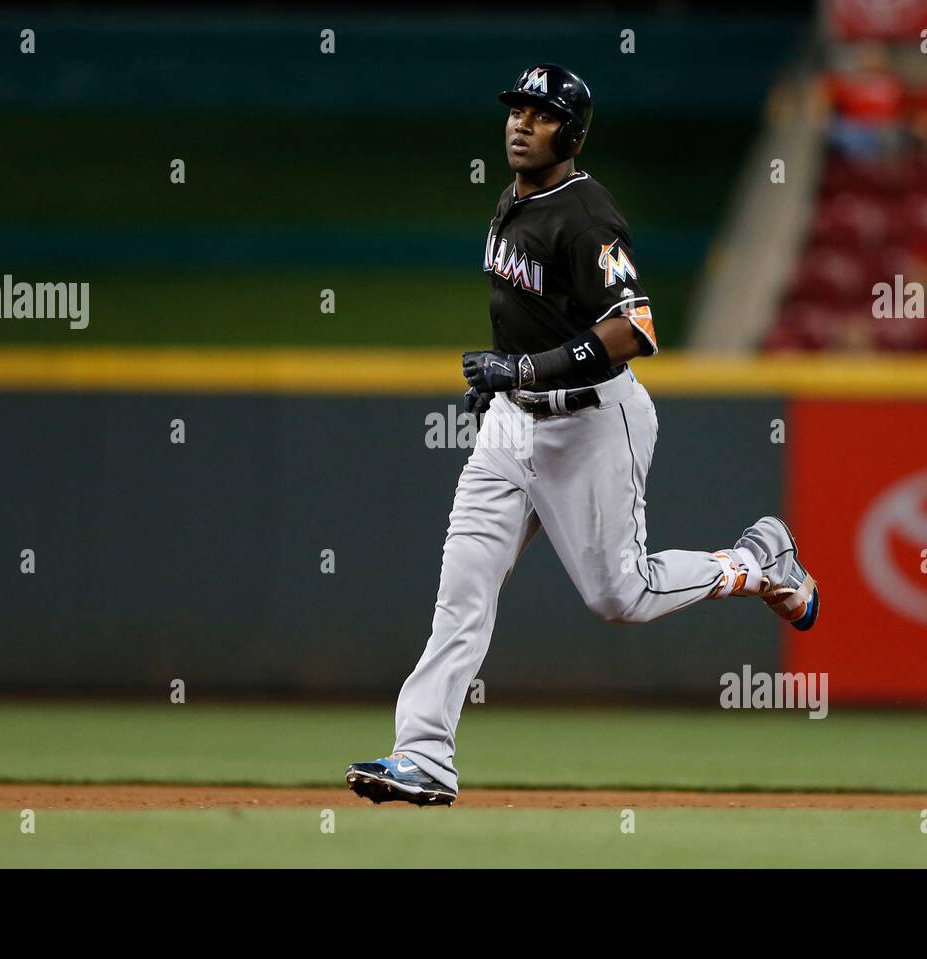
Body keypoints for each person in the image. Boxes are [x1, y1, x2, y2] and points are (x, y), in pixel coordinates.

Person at [345, 64, 819, 807]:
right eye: (516, 110)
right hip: (513, 427)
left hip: (594, 423)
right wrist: (506, 384)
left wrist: (519, 367)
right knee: (463, 589)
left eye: (539, 114)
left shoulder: (587, 214)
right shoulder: (512, 198)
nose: (520, 123)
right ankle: (425, 755)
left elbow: (634, 330)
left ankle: (758, 563)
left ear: (570, 131)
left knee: (619, 596)